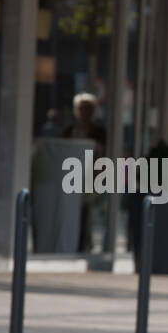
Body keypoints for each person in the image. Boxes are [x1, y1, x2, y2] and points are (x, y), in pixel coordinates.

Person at [62, 93, 106, 253]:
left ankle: (84, 242)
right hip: (70, 176)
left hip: (90, 177)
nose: (84, 112)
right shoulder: (69, 130)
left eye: (88, 109)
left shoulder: (99, 132)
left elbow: (103, 154)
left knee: (86, 211)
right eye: (81, 108)